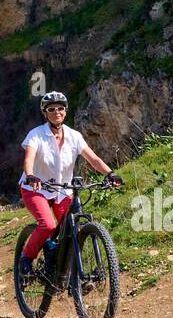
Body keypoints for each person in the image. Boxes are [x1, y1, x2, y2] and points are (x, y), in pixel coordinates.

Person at [18, 91, 122, 281]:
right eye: (51, 109)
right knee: (48, 224)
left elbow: (94, 159)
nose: (57, 111)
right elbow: (29, 158)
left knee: (71, 227)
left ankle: (69, 271)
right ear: (45, 113)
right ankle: (26, 258)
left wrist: (110, 173)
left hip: (62, 189)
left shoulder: (74, 136)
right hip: (36, 188)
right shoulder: (36, 135)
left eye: (60, 108)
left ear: (65, 111)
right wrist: (31, 175)